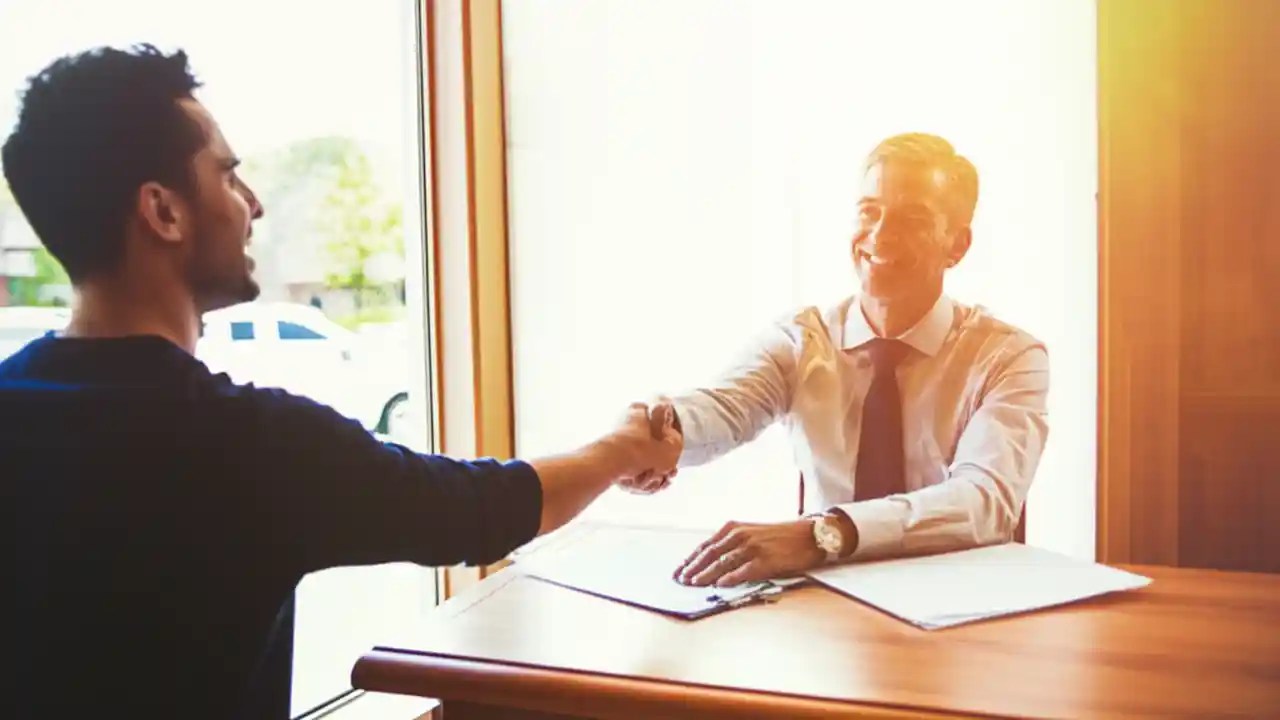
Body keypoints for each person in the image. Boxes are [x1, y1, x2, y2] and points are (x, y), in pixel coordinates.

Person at [0, 45, 680, 720]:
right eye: (229, 177)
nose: (254, 205)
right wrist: (622, 449)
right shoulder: (251, 444)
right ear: (163, 212)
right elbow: (479, 509)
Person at [622, 133, 1049, 588]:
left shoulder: (1009, 358)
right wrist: (663, 432)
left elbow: (983, 501)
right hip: (829, 605)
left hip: (959, 603)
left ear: (957, 246)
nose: (881, 235)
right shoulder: (803, 340)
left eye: (913, 219)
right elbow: (725, 407)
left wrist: (826, 534)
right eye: (869, 211)